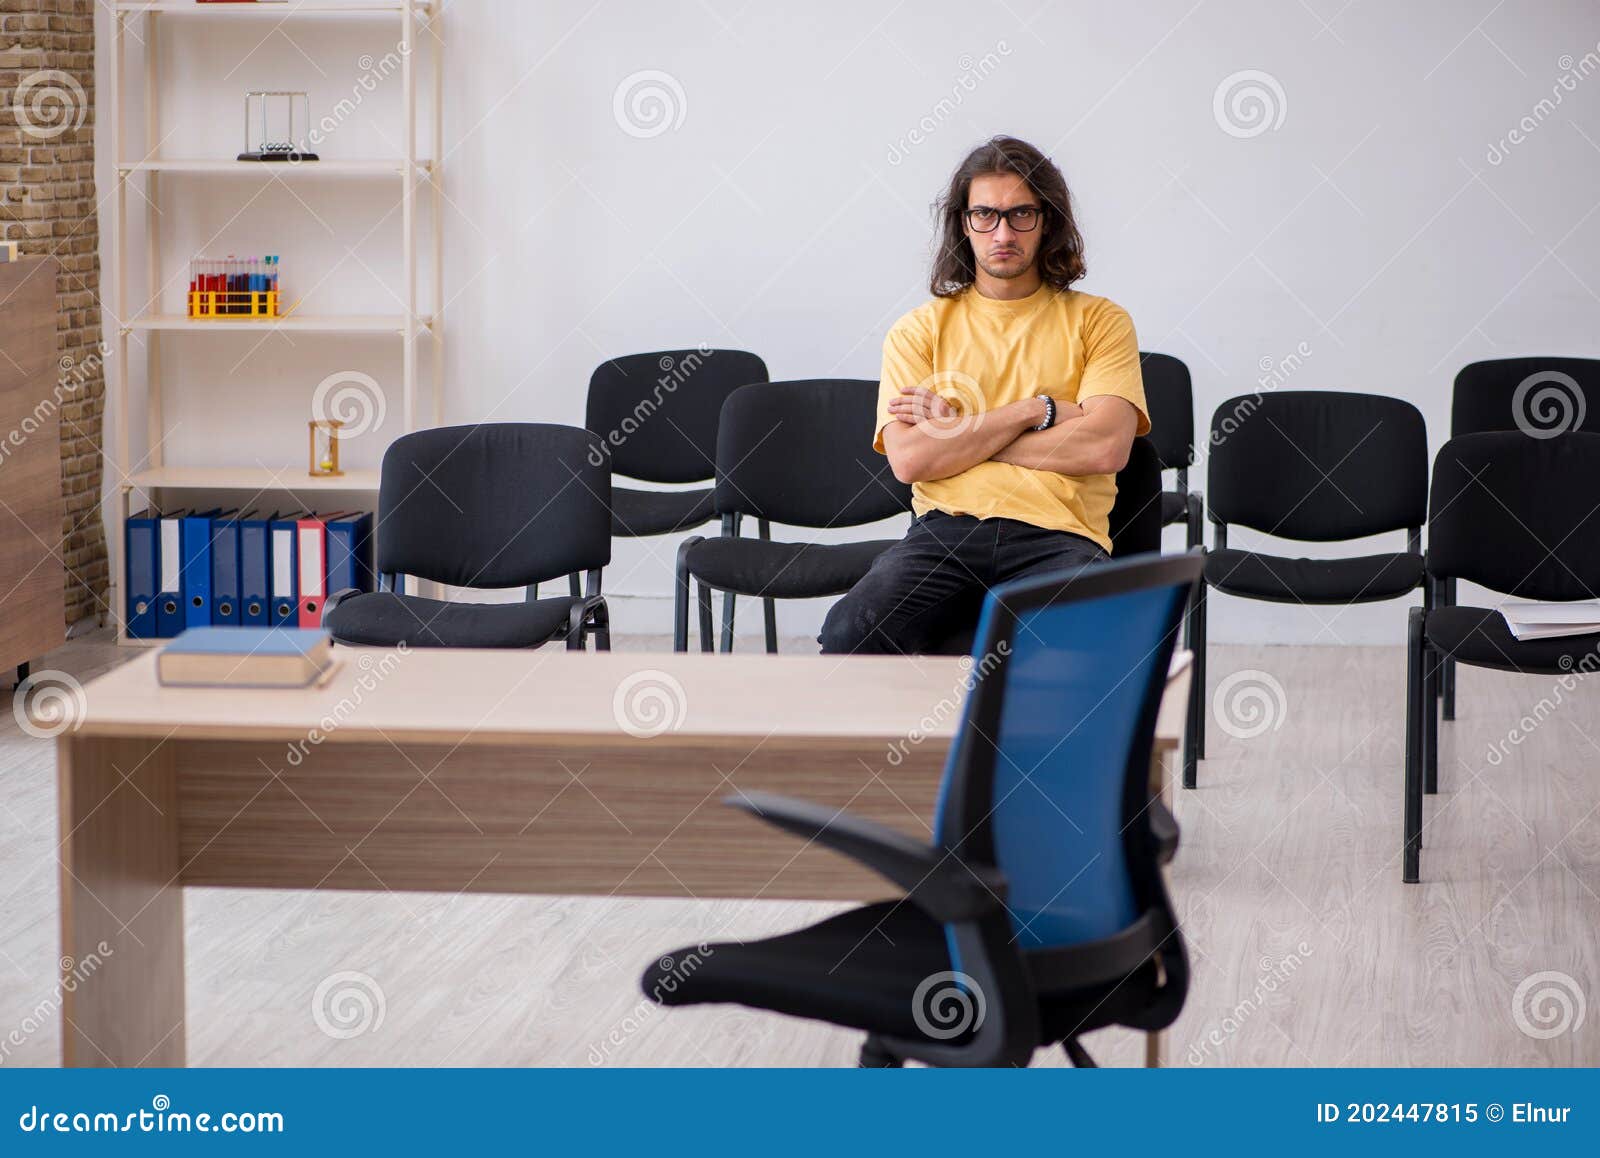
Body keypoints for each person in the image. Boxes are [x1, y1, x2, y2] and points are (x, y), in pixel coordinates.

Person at [820, 135, 1150, 655]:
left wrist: (960, 429)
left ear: (1048, 222)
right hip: (944, 535)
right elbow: (910, 460)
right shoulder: (918, 331)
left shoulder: (1100, 320)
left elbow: (1105, 448)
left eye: (1021, 214)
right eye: (985, 215)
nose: (1002, 232)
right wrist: (1036, 411)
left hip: (1058, 535)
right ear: (963, 223)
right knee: (849, 633)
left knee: (1080, 641)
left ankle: (1036, 741)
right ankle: (925, 741)